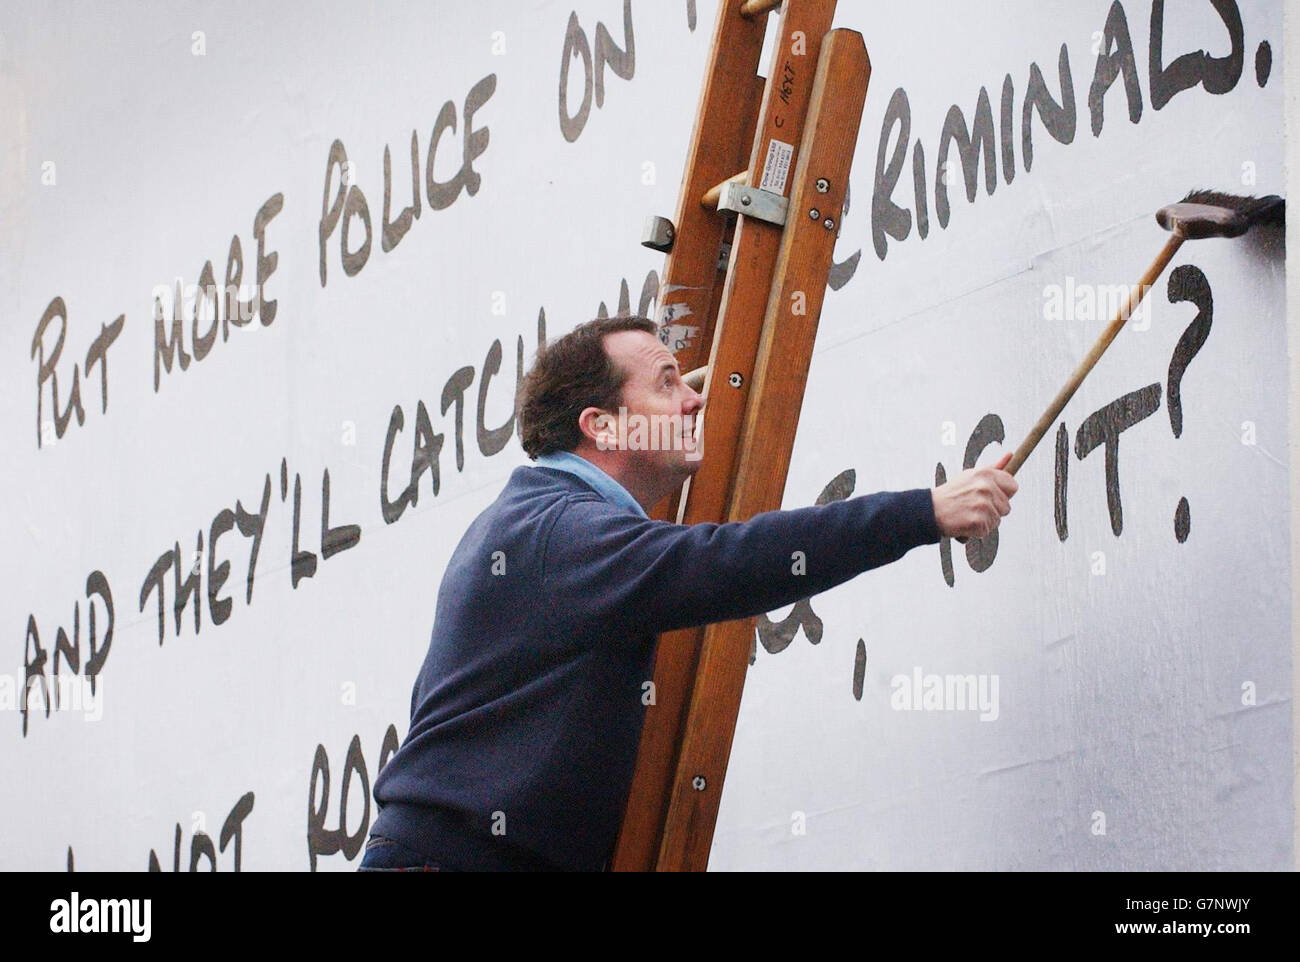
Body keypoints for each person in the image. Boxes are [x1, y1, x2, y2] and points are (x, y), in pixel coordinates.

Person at [360, 315, 1017, 871]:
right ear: (603, 426)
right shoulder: (561, 531)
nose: (695, 399)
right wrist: (924, 512)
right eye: (667, 383)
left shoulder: (536, 519)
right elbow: (725, 561)